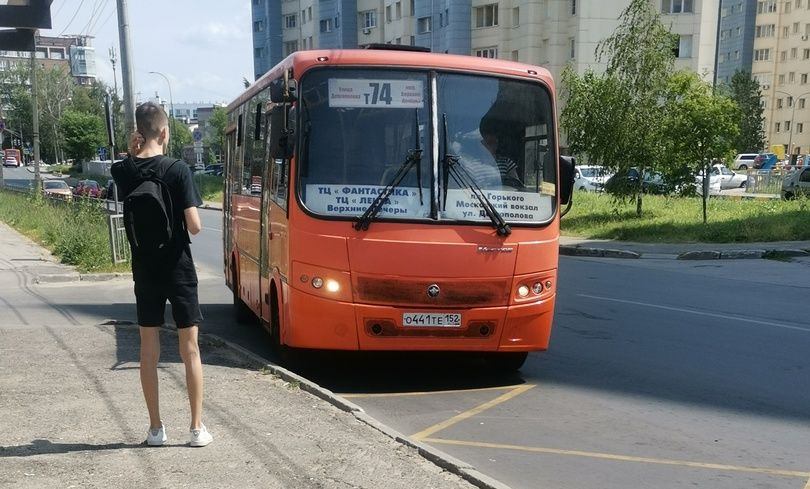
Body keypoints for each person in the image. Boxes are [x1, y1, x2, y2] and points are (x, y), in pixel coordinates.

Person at [111, 102, 212, 448]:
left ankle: (155, 429)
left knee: (147, 351)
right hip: (178, 268)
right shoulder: (178, 169)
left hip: (145, 269)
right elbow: (196, 227)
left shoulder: (124, 172)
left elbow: (123, 164)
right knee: (190, 350)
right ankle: (197, 429)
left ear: (140, 132)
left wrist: (132, 148)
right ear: (166, 132)